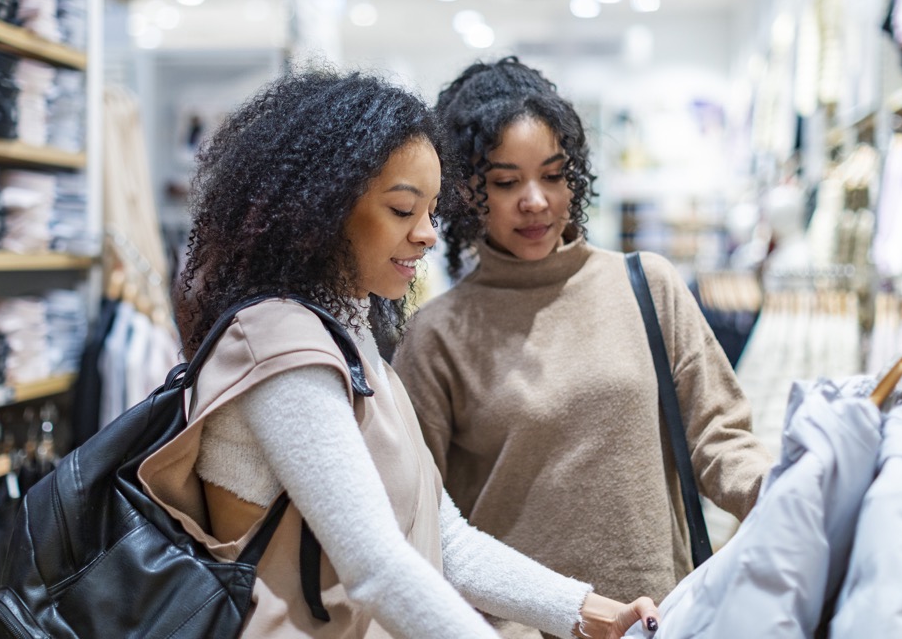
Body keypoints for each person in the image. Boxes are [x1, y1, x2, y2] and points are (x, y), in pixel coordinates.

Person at [138, 67, 660, 639]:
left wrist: (587, 612)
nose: (428, 234)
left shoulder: (349, 337)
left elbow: (444, 536)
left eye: (432, 211)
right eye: (402, 209)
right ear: (323, 208)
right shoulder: (281, 349)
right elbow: (377, 569)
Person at [392, 58, 774, 631]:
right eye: (505, 182)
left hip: (659, 620)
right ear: (467, 192)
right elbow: (421, 517)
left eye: (552, 174)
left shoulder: (646, 284)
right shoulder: (439, 334)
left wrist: (783, 492)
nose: (536, 201)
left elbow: (719, 436)